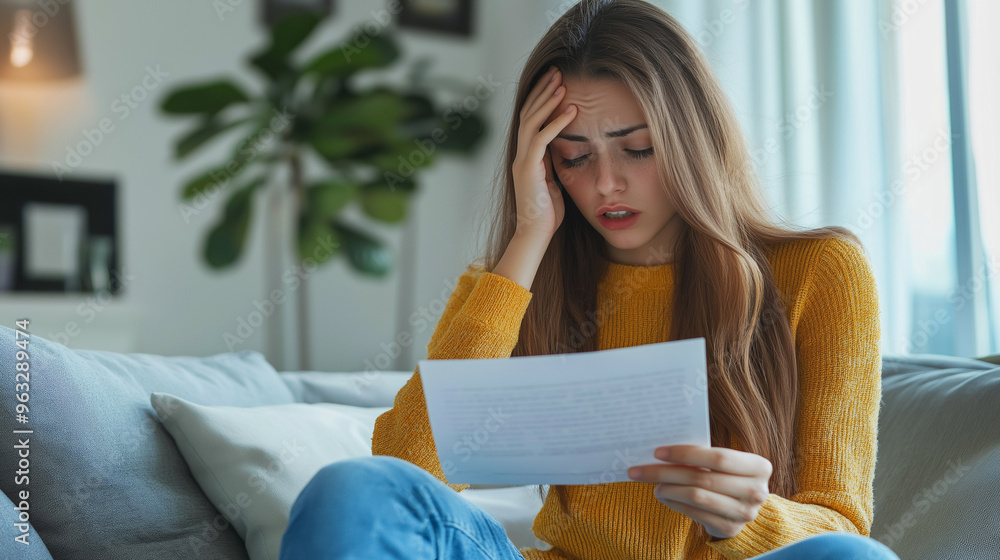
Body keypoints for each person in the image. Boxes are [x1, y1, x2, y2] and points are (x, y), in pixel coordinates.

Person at [279, 0, 903, 558]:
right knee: (353, 490)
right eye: (573, 156)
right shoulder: (517, 283)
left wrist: (750, 518)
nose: (606, 185)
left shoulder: (820, 273)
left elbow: (843, 525)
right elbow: (407, 467)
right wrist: (527, 239)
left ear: (694, 140)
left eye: (638, 149)